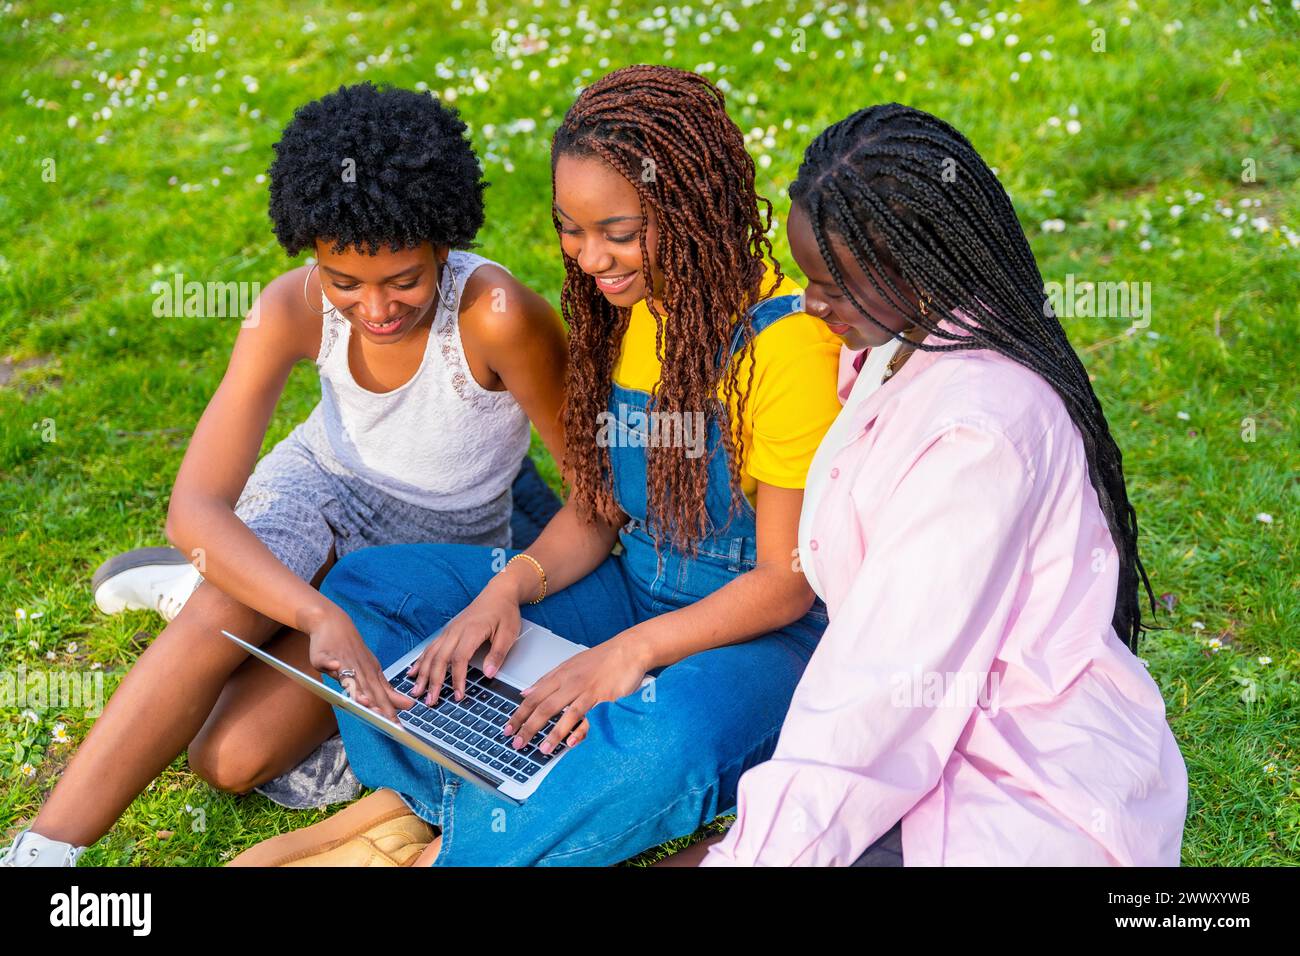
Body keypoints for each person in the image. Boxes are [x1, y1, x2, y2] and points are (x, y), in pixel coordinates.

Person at [229, 64, 845, 867]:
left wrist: (629, 654)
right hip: (631, 588)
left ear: (695, 206)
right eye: (572, 228)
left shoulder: (787, 344)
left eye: (619, 232)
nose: (591, 259)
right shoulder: (628, 312)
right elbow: (598, 511)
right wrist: (507, 588)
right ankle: (451, 792)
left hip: (759, 637)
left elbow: (787, 582)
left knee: (665, 740)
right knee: (372, 588)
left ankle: (442, 842)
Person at [1, 82, 568, 867]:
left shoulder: (499, 315)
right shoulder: (290, 306)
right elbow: (195, 507)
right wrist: (312, 614)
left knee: (227, 758)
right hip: (322, 489)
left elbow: (595, 493)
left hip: (433, 545)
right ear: (312, 254)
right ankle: (40, 854)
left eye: (403, 279)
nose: (374, 308)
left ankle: (234, 601)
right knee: (229, 599)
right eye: (345, 281)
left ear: (444, 242)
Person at [694, 103, 1188, 866]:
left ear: (919, 271)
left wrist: (748, 855)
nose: (810, 304)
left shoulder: (975, 434)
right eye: (808, 276)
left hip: (1019, 774)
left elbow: (882, 692)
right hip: (933, 716)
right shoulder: (906, 338)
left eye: (835, 286)